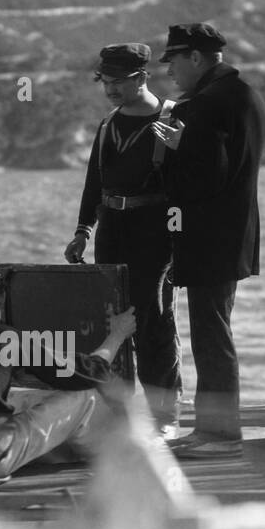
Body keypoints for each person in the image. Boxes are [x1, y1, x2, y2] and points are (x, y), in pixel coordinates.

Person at [152, 22, 265, 459]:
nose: (171, 73)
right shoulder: (247, 95)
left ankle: (219, 435)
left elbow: (199, 183)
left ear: (196, 58)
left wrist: (175, 151)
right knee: (215, 331)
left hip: (207, 239)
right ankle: (216, 429)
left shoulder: (201, 107)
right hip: (235, 236)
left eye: (175, 62)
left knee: (210, 335)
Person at [0, 260, 137, 480]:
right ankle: (105, 456)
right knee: (84, 396)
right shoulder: (8, 338)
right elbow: (89, 373)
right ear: (1, 300)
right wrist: (117, 334)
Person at [63, 43, 182, 437]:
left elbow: (190, 185)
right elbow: (93, 184)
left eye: (119, 81)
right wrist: (82, 231)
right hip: (111, 229)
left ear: (143, 77)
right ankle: (122, 415)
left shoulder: (172, 117)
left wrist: (180, 152)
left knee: (154, 321)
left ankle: (164, 417)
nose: (111, 89)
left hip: (155, 232)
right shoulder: (108, 123)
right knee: (112, 320)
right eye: (105, 81)